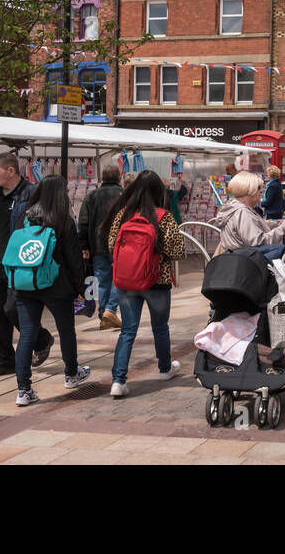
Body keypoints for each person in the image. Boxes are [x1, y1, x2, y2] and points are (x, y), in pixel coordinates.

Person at [105, 170, 186, 398]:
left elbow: (112, 246)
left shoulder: (123, 214)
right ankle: (164, 368)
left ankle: (118, 381)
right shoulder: (164, 216)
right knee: (160, 327)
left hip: (127, 282)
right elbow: (177, 250)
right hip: (156, 281)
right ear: (158, 191)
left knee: (127, 331)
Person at [12, 176, 90, 406]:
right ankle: (71, 374)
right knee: (66, 331)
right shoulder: (62, 220)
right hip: (57, 285)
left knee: (26, 334)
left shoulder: (23, 218)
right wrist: (80, 287)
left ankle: (23, 390)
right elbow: (74, 259)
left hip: (26, 284)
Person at [0, 153, 53, 379]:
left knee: (11, 308)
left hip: (19, 263)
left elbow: (40, 225)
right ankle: (4, 361)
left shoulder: (31, 194)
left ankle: (42, 339)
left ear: (11, 171)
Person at [78, 163, 124, 330]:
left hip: (97, 246)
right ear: (119, 177)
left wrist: (84, 245)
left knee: (103, 281)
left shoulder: (92, 196)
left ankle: (104, 313)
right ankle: (110, 309)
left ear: (102, 178)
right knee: (123, 278)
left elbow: (82, 222)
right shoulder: (124, 195)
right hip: (120, 245)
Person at [210, 171, 285, 254]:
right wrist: (282, 229)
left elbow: (247, 231)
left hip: (236, 261)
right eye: (259, 189)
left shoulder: (234, 207)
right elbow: (258, 243)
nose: (260, 192)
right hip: (247, 264)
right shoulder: (243, 212)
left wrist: (273, 224)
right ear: (250, 191)